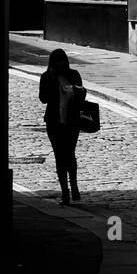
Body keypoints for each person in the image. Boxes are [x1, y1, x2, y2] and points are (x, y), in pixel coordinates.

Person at [39, 48, 86, 205]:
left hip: (72, 120)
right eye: (57, 61)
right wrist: (53, 80)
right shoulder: (46, 77)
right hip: (54, 121)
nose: (61, 64)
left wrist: (77, 90)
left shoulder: (74, 75)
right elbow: (43, 98)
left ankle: (74, 186)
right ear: (52, 63)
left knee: (70, 153)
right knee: (59, 156)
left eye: (63, 61)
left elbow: (82, 95)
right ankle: (65, 192)